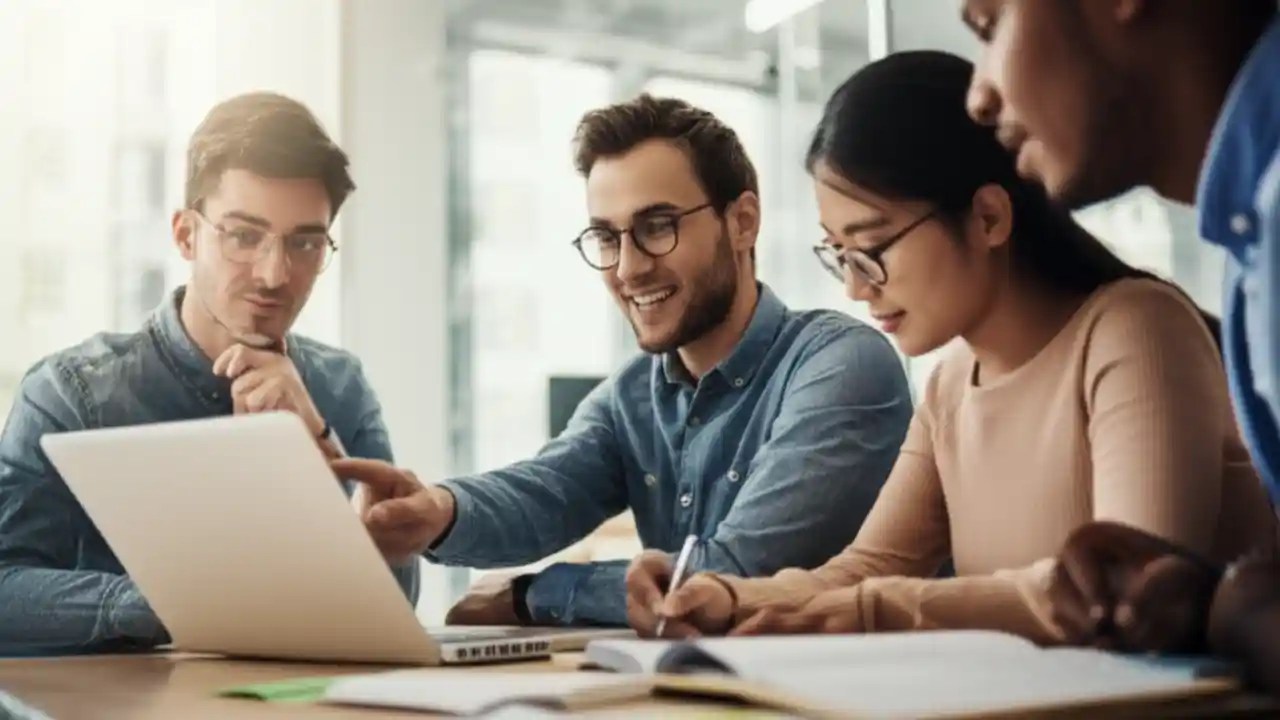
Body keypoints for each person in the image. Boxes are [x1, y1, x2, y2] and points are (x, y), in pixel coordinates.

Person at [625, 50, 1275, 643]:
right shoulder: (951, 382)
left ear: (989, 217)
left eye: (872, 249)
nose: (855, 288)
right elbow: (871, 566)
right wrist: (724, 595)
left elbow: (1123, 595)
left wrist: (867, 611)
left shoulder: (1136, 330)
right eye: (839, 254)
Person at [333, 94, 913, 628]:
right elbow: (547, 490)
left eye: (656, 227)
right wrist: (437, 509)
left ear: (742, 222)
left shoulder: (842, 366)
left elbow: (733, 570)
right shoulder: (633, 394)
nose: (628, 269)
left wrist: (533, 595)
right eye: (607, 238)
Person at [0, 92, 418, 655]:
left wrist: (319, 442)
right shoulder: (72, 392)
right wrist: (179, 605)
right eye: (244, 236)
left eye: (305, 242)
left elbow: (394, 608)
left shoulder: (339, 386)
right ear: (185, 235)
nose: (275, 274)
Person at [961, 0, 1280, 681]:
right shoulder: (1248, 236)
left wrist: (1235, 603)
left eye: (989, 25)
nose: (979, 96)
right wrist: (1204, 598)